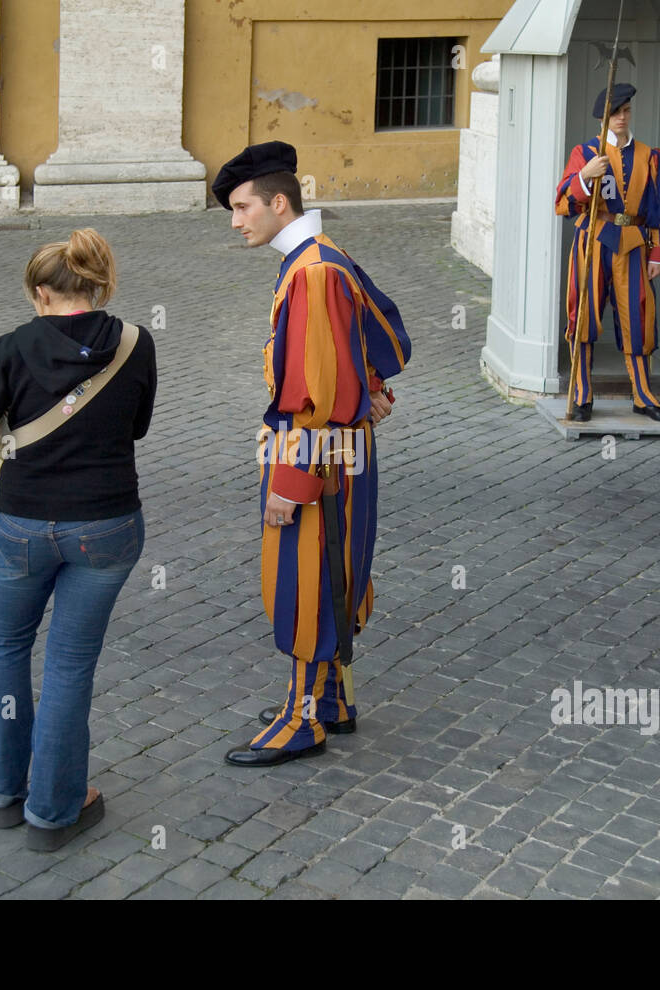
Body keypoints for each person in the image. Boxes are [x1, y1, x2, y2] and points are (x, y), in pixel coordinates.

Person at [0, 229, 156, 850]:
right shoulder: (137, 345)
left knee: (5, 647)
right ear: (96, 284)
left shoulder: (12, 347)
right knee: (69, 665)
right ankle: (55, 811)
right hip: (109, 525)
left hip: (25, 526)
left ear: (41, 292)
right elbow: (136, 425)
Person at [212, 141, 411, 767]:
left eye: (244, 207)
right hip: (340, 450)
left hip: (317, 456)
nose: (237, 221)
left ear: (278, 202)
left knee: (307, 578)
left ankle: (303, 722)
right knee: (334, 570)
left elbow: (315, 395)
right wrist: (373, 388)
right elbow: (383, 339)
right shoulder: (323, 257)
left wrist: (290, 483)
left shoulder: (313, 271)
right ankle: (331, 698)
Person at [555, 83, 660, 423]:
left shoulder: (648, 156)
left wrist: (659, 253)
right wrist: (584, 176)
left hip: (634, 243)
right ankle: (582, 396)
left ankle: (643, 397)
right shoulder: (586, 153)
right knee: (583, 317)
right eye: (615, 112)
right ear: (604, 117)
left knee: (638, 320)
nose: (622, 117)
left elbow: (659, 209)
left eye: (626, 111)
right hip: (593, 239)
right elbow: (564, 202)